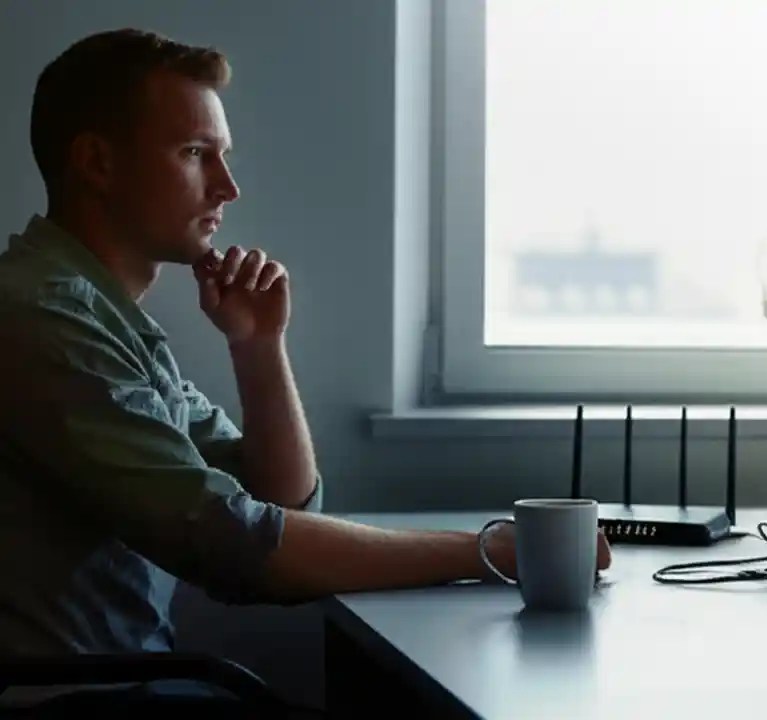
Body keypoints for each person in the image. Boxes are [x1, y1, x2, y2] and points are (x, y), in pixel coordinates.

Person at [0, 27, 612, 714]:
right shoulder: (43, 320)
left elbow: (281, 504)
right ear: (96, 163)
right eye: (195, 153)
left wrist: (259, 347)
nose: (228, 187)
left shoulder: (104, 318)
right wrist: (493, 552)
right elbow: (242, 548)